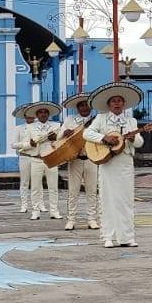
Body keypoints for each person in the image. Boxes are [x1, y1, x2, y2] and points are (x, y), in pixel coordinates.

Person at [84, 82, 145, 248]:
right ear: (109, 104)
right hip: (107, 161)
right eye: (113, 101)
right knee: (108, 198)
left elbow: (139, 143)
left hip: (125, 162)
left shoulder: (131, 121)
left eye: (120, 100)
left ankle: (127, 237)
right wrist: (104, 138)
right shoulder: (101, 118)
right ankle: (108, 236)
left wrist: (134, 139)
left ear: (124, 104)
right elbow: (87, 133)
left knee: (125, 199)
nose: (117, 103)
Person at [60, 93, 99, 232]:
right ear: (77, 107)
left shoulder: (97, 120)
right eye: (81, 105)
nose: (84, 107)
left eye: (86, 104)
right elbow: (60, 135)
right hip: (75, 159)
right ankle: (71, 220)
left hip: (92, 159)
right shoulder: (70, 119)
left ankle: (92, 219)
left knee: (92, 191)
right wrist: (66, 132)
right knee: (73, 191)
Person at [24, 101, 63, 221]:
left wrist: (56, 138)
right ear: (36, 114)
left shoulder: (56, 126)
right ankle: (35, 211)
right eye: (40, 112)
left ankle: (54, 211)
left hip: (51, 159)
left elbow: (62, 141)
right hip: (36, 159)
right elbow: (25, 144)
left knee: (53, 187)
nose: (43, 114)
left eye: (45, 112)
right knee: (35, 187)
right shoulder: (30, 127)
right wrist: (30, 144)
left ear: (49, 114)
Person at [11, 104, 46, 214]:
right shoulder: (19, 128)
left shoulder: (39, 127)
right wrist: (27, 145)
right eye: (27, 115)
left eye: (32, 115)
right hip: (25, 157)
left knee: (38, 181)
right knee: (24, 182)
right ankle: (24, 205)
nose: (30, 117)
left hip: (37, 157)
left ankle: (40, 204)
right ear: (25, 116)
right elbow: (13, 144)